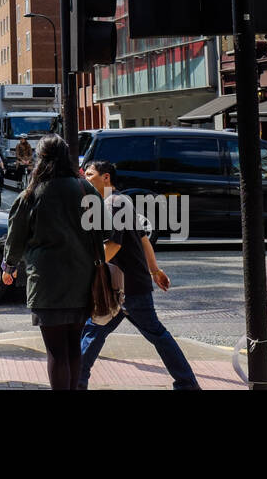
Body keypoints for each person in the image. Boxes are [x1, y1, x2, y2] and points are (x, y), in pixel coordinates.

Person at [78, 160, 200, 390]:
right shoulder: (121, 200)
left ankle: (187, 384)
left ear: (106, 178)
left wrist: (87, 267)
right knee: (94, 333)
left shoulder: (113, 204)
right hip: (127, 285)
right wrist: (154, 270)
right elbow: (143, 239)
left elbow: (114, 245)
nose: (86, 178)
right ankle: (187, 384)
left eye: (90, 174)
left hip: (126, 288)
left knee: (152, 335)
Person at [1, 134, 103, 390]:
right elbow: (105, 231)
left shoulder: (33, 193)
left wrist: (9, 267)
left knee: (56, 351)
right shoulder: (84, 188)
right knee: (73, 349)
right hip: (81, 278)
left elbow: (15, 237)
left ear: (40, 158)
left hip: (46, 281)